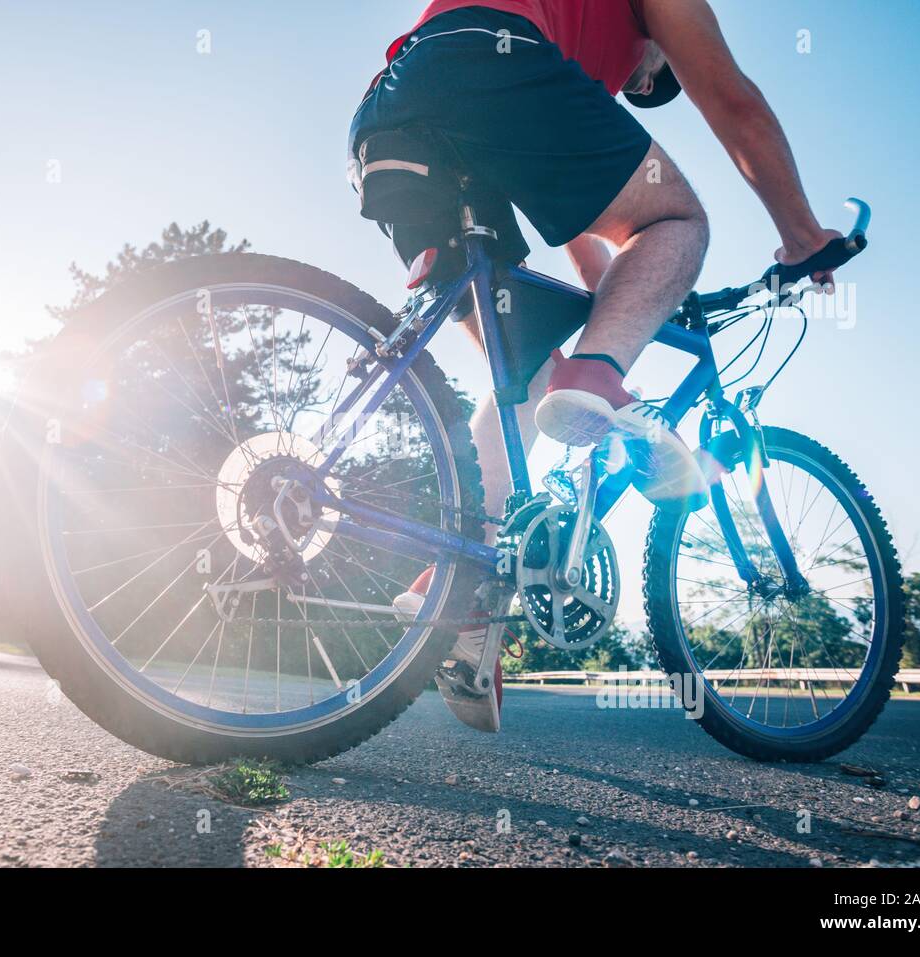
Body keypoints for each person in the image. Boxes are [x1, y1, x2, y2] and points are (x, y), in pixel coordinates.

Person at [350, 0, 842, 731]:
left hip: (389, 119)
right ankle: (589, 382)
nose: (642, 82)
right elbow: (733, 100)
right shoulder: (614, 34)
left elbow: (582, 230)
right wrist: (803, 236)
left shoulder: (564, 47)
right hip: (482, 61)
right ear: (656, 60)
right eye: (656, 74)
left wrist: (613, 325)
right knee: (677, 220)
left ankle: (456, 594)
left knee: (525, 377)